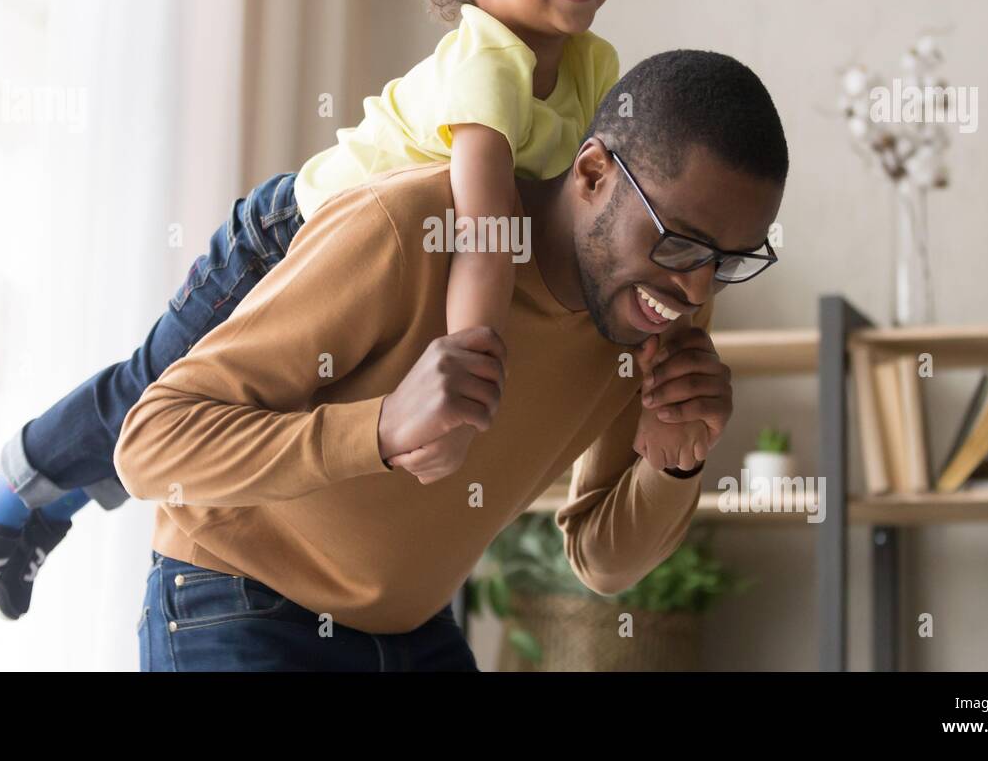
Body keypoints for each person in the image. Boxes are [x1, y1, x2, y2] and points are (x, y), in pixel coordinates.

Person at [0, 0, 623, 638]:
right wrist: (469, 373)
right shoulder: (486, 66)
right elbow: (485, 234)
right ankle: (4, 502)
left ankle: (51, 508)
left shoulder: (590, 64)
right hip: (282, 240)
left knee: (212, 410)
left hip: (357, 265)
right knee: (153, 393)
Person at [119, 48, 788, 670]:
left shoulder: (660, 308)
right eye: (681, 244)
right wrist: (378, 431)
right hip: (236, 603)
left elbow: (602, 562)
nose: (699, 287)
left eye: (731, 262)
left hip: (409, 632)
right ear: (592, 173)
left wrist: (674, 461)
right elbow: (149, 444)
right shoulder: (407, 227)